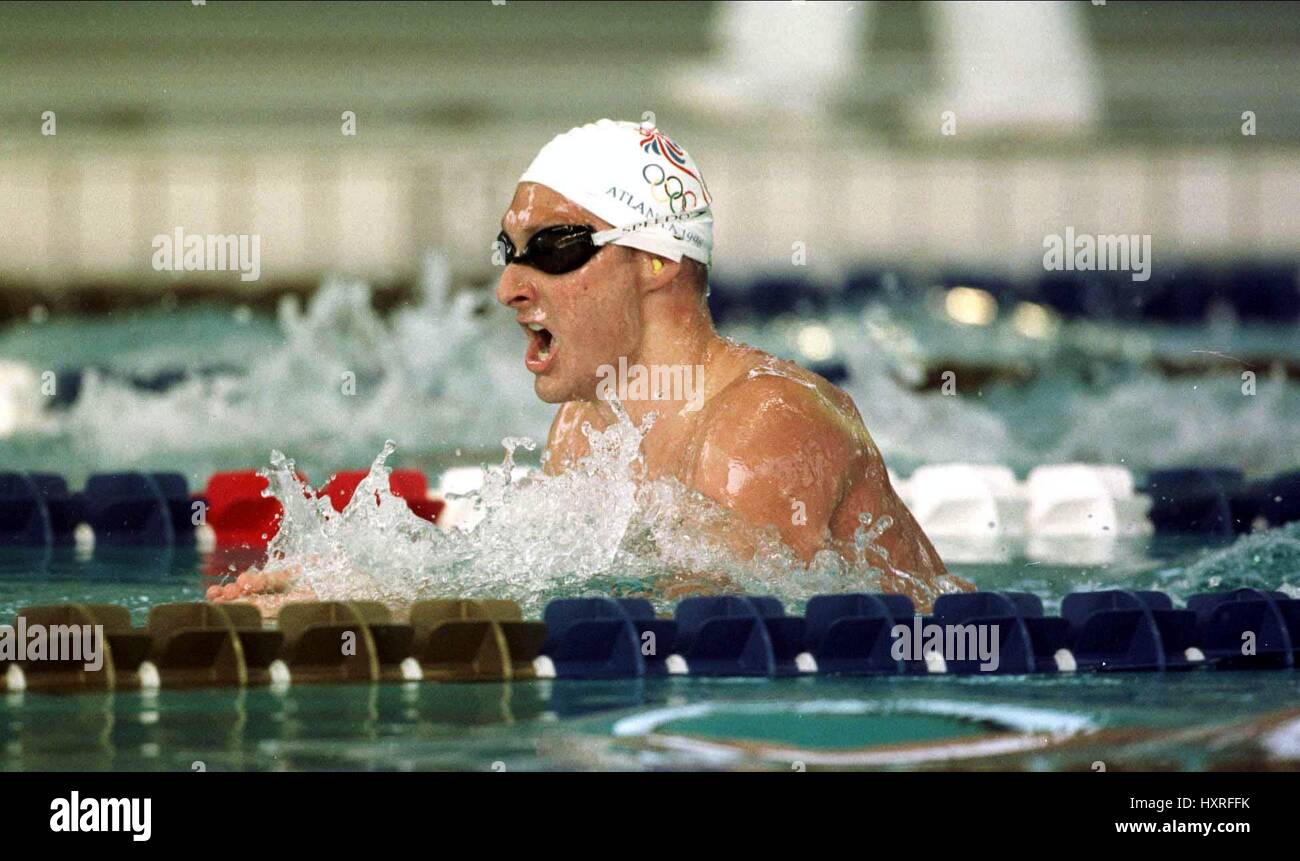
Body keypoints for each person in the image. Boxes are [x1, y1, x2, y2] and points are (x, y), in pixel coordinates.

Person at [495, 119, 963, 607]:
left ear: (659, 261)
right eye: (510, 251)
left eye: (552, 248)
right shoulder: (581, 428)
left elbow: (708, 636)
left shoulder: (767, 422)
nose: (509, 288)